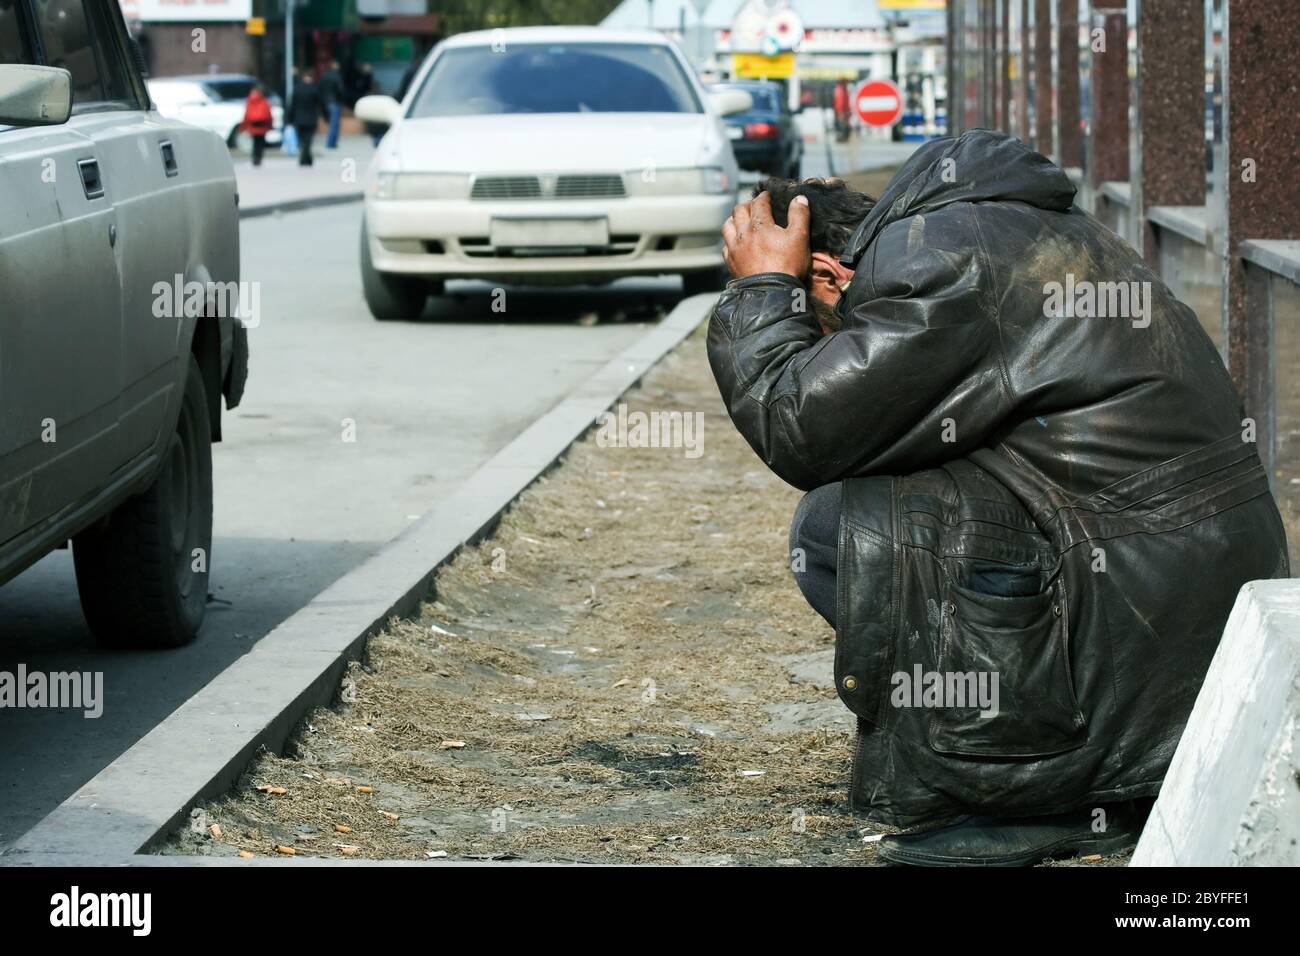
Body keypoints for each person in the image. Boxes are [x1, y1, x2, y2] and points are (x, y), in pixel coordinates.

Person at [706, 130, 1289, 866]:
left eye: (819, 327)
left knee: (833, 527)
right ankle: (1048, 766)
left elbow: (804, 429)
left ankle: (1056, 786)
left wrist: (761, 291)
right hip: (1165, 568)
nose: (830, 339)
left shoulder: (936, 260)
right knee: (880, 511)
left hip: (1148, 593)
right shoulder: (992, 228)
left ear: (824, 276)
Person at [285, 69, 325, 167]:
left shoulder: (297, 89)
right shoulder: (314, 89)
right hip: (311, 118)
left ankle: (305, 158)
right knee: (309, 139)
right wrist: (324, 116)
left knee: (302, 139)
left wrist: (289, 119)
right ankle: (306, 158)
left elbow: (292, 105)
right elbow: (320, 104)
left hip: (299, 118)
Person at [240, 84, 274, 167]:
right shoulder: (264, 101)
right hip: (262, 125)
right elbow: (268, 114)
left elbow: (247, 114)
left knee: (255, 142)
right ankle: (259, 157)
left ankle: (255, 158)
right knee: (261, 142)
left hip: (253, 125)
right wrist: (270, 125)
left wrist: (243, 125)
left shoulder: (250, 101)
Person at [321, 59, 344, 150]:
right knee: (335, 124)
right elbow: (340, 90)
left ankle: (331, 143)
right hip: (335, 102)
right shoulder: (337, 77)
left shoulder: (324, 76)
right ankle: (331, 143)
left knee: (331, 123)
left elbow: (320, 89)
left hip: (326, 102)